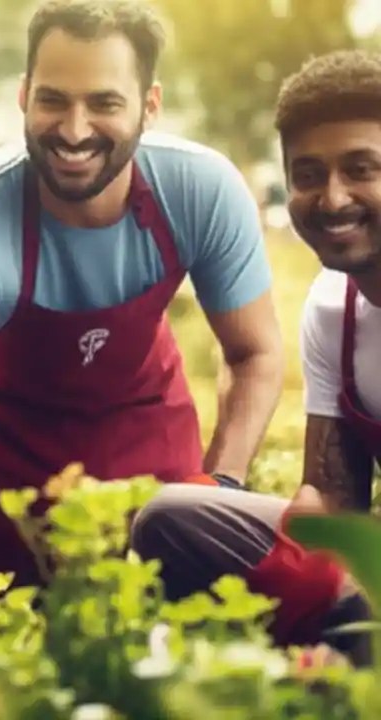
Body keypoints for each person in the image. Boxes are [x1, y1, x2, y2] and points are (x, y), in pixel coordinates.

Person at [0, 0, 284, 586]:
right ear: (24, 95)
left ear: (149, 107)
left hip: (154, 459)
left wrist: (217, 492)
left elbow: (255, 354)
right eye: (53, 99)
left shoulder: (201, 192)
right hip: (6, 487)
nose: (74, 131)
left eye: (104, 103)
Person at [130, 49, 381, 666]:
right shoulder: (333, 310)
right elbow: (333, 499)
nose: (333, 197)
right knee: (170, 519)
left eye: (361, 169)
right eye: (308, 175)